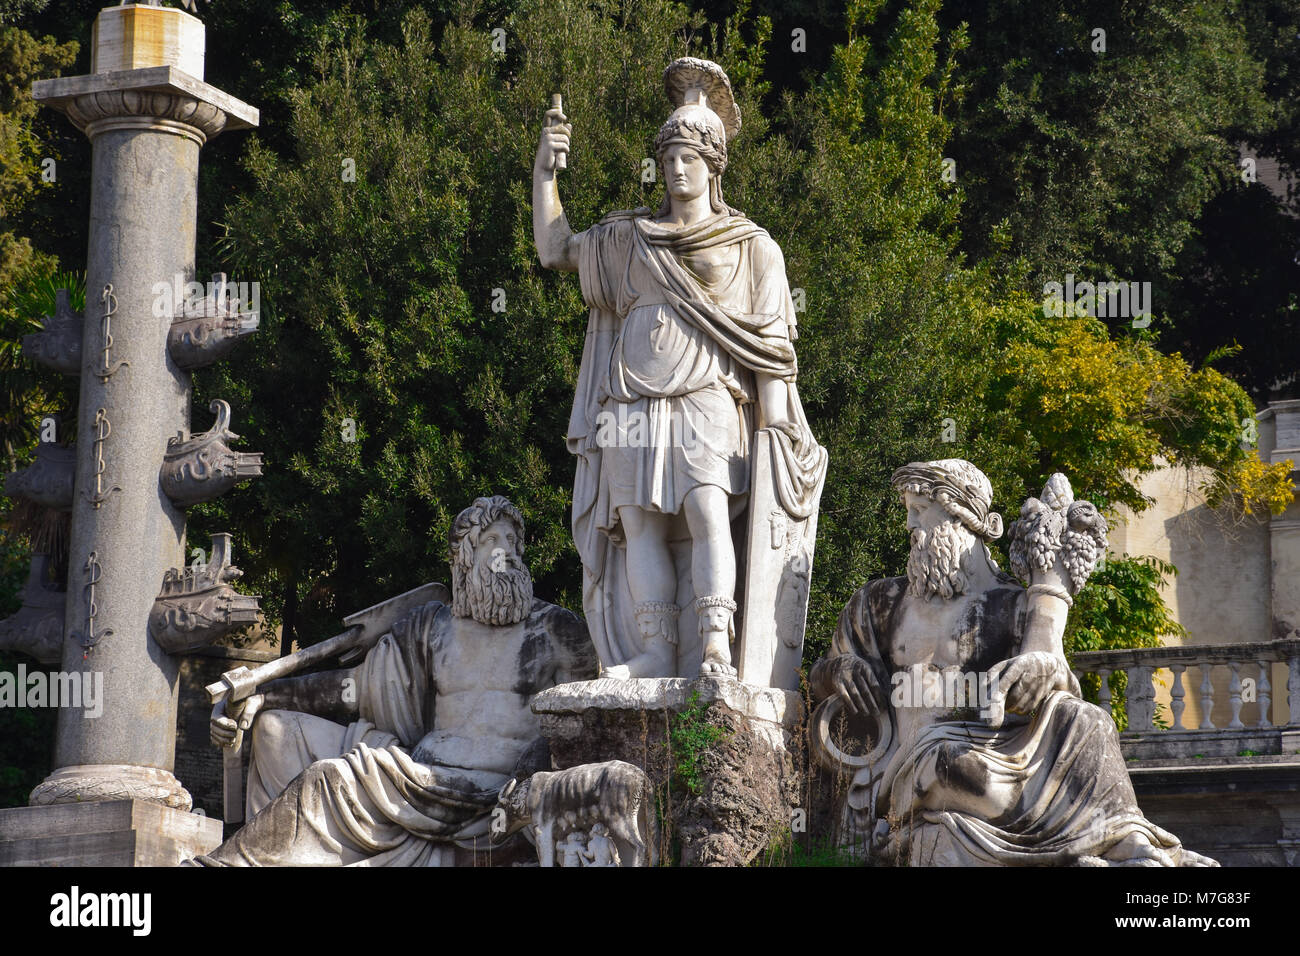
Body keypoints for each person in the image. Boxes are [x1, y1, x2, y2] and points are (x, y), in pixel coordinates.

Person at [534, 57, 826, 679]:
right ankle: (656, 651)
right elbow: (554, 249)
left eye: (688, 157)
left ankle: (715, 643)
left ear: (714, 164)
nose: (675, 169)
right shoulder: (629, 237)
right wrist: (545, 174)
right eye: (667, 158)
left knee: (704, 511)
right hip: (630, 396)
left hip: (708, 393)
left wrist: (775, 426)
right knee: (639, 524)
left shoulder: (753, 246)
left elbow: (773, 345)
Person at [811, 459, 1215, 866]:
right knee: (951, 762)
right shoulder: (880, 602)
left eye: (919, 511)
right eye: (908, 511)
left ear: (960, 516)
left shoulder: (1012, 604)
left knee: (1090, 721)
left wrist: (1043, 671)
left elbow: (1051, 683)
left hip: (1001, 750)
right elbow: (821, 676)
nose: (909, 526)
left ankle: (1123, 839)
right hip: (920, 762)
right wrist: (838, 670)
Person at [193, 496, 598, 866]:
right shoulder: (432, 628)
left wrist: (532, 779)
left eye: (513, 540)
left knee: (327, 777)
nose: (507, 551)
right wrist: (264, 695)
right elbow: (354, 690)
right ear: (466, 556)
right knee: (276, 730)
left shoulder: (555, 629)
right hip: (416, 774)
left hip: (494, 791)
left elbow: (582, 726)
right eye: (493, 539)